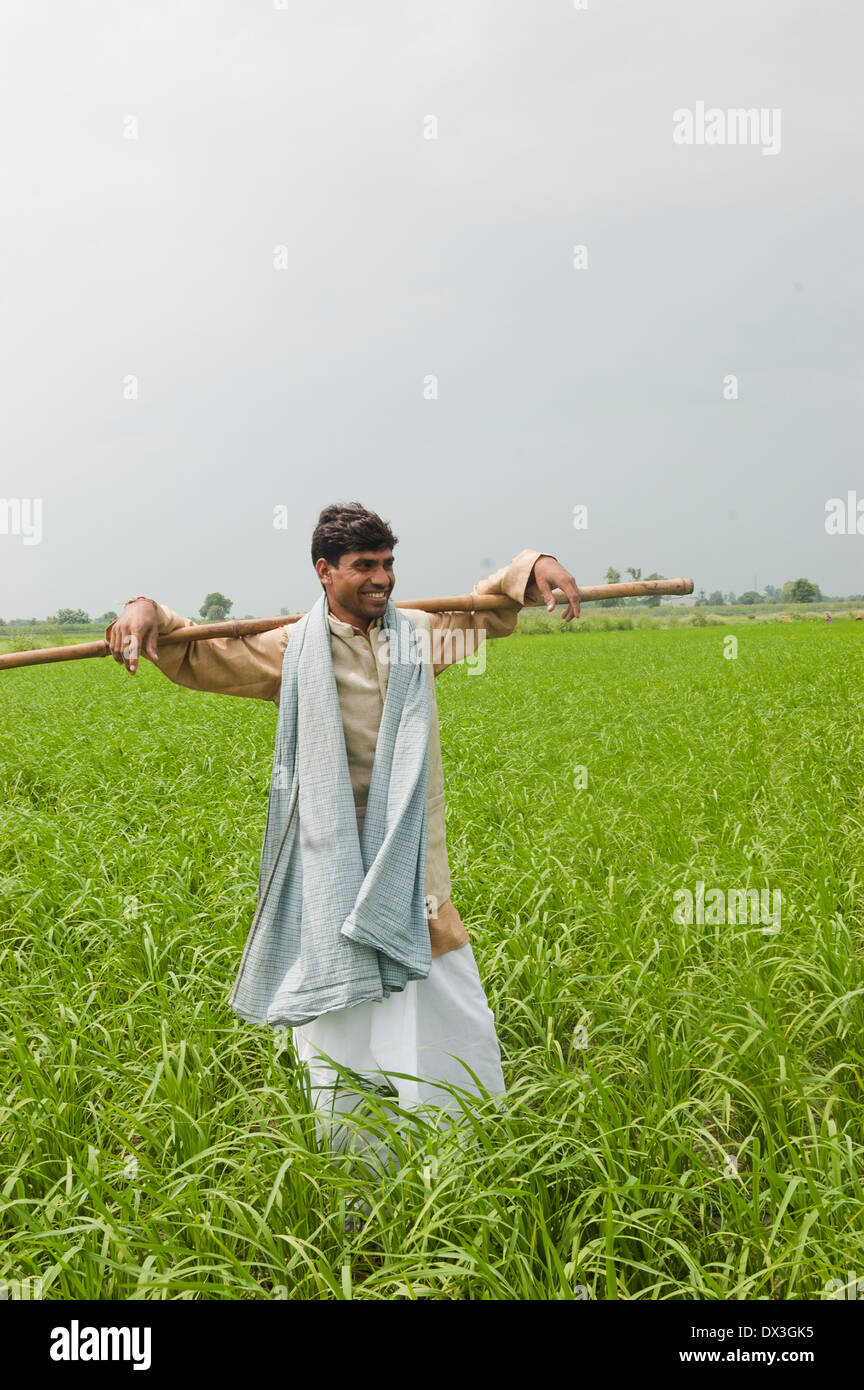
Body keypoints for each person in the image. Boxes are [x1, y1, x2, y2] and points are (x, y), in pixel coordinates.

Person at [106, 503, 581, 1185]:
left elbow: (485, 610)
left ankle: (465, 1172)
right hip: (330, 870)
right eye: (364, 567)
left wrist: (532, 566)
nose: (381, 579)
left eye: (388, 564)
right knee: (340, 1038)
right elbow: (196, 652)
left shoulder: (418, 636)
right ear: (325, 571)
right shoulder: (288, 649)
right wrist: (143, 608)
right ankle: (359, 1178)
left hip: (412, 872)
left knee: (451, 1018)